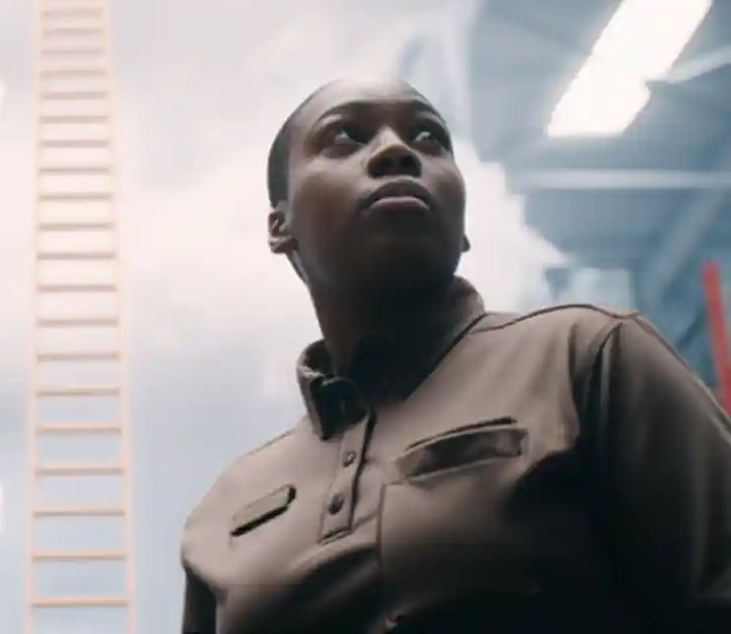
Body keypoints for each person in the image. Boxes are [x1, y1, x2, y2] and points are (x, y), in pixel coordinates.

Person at [179, 78, 731, 633]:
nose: (398, 151)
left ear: (462, 226)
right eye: (345, 137)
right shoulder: (222, 514)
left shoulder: (587, 358)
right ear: (280, 226)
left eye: (429, 139)